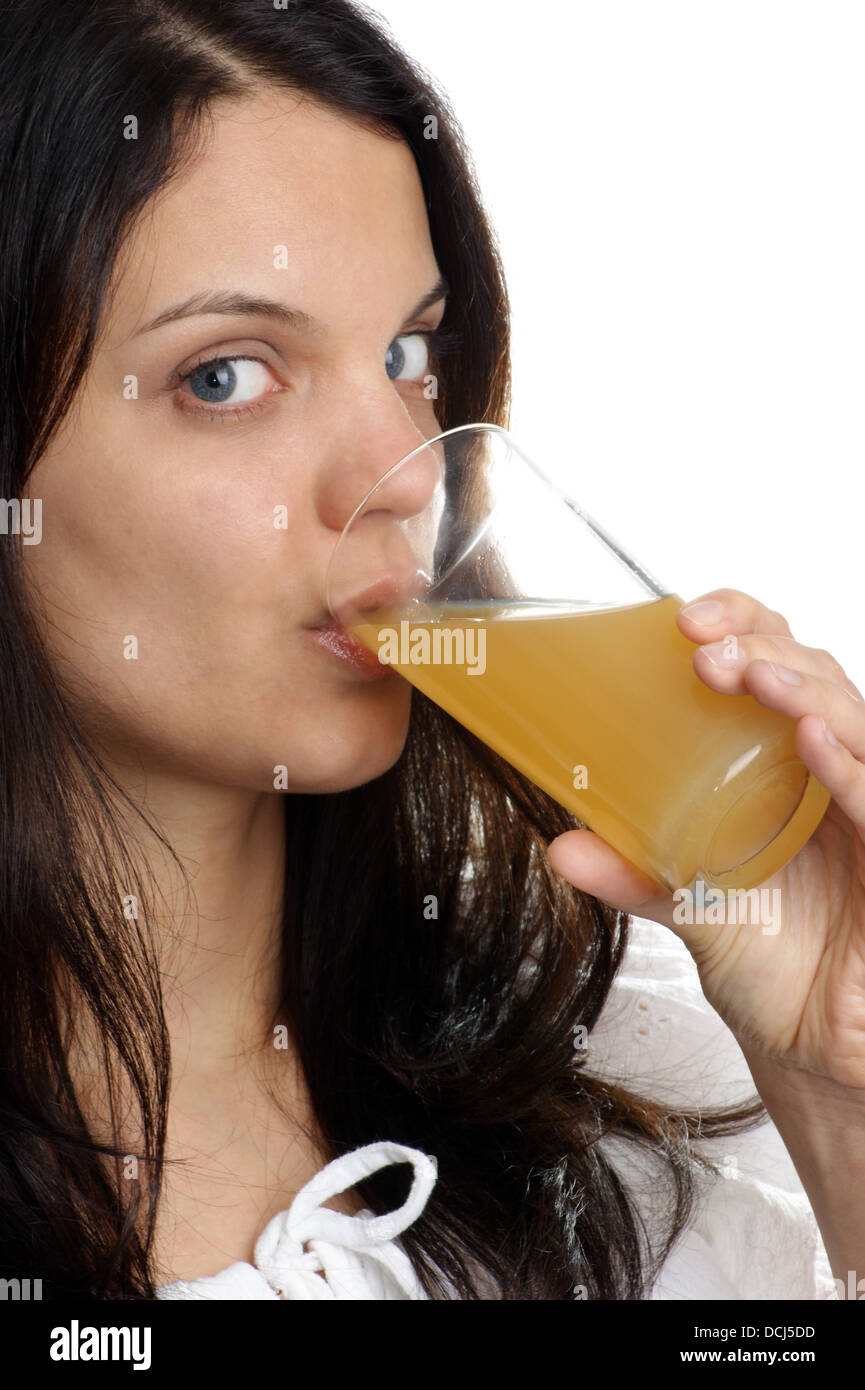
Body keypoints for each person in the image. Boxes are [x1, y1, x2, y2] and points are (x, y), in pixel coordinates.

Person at [1, 0, 862, 1302]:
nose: (401, 476)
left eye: (409, 353)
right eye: (227, 375)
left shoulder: (619, 1126)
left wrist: (833, 1090)